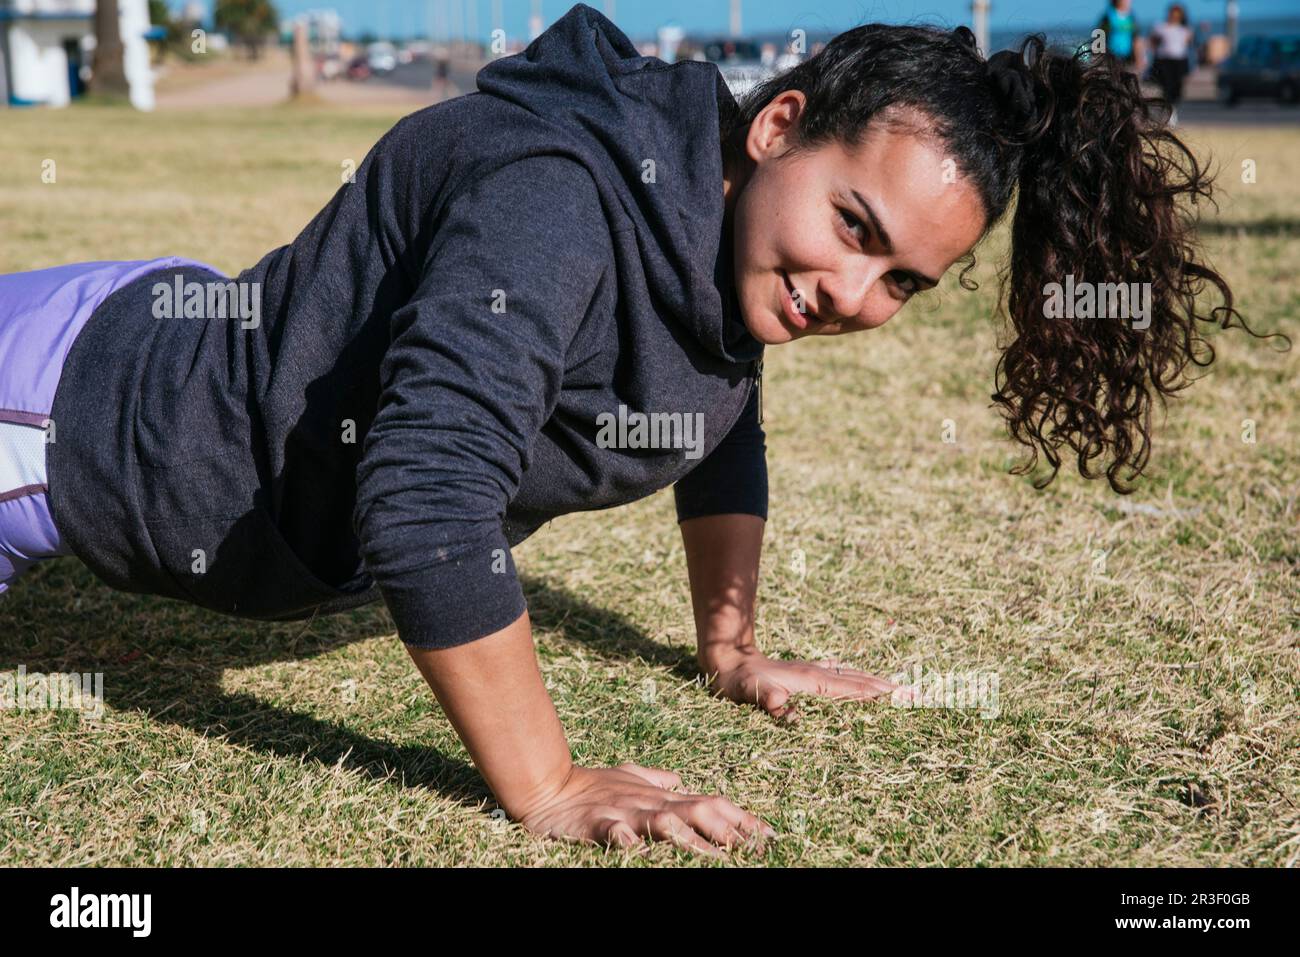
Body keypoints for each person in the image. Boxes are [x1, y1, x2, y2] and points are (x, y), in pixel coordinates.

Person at [0, 4, 1271, 855]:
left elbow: (716, 422)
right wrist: (544, 785)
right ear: (775, 127)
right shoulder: (556, 197)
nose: (851, 295)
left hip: (165, 328)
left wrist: (731, 649)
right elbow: (425, 493)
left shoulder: (713, 252)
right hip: (68, 409)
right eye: (854, 229)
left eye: (900, 285)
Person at [1150, 4, 1194, 124]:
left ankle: (1172, 110)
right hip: (1164, 61)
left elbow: (1190, 46)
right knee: (1166, 87)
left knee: (1177, 89)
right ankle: (1169, 114)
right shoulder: (1160, 27)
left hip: (1179, 61)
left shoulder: (1185, 30)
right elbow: (1152, 43)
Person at [1097, 0, 1143, 73]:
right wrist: (1099, 58)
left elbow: (1136, 38)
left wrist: (1139, 58)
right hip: (1111, 57)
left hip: (1128, 57)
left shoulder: (1131, 17)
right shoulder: (1108, 17)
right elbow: (1100, 38)